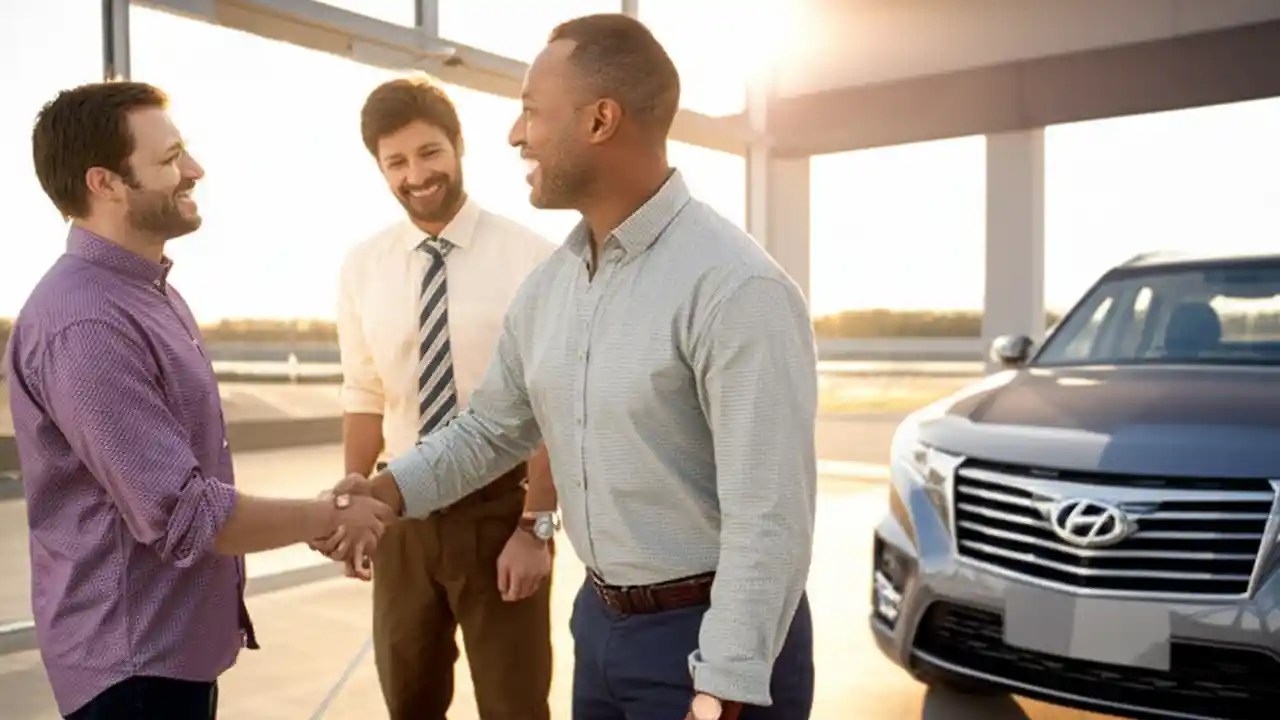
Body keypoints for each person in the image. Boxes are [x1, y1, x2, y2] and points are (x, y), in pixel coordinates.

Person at [323, 13, 817, 720]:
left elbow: (770, 517)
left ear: (600, 120)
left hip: (710, 646)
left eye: (530, 111)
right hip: (602, 627)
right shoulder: (553, 285)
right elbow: (490, 431)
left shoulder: (737, 289)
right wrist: (386, 492)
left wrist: (725, 682)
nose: (516, 134)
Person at [7, 81, 395, 720]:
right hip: (133, 671)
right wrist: (328, 515)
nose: (195, 170)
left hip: (169, 655)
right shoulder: (86, 323)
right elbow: (183, 513)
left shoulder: (147, 292)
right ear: (105, 183)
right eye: (169, 159)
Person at [334, 74, 560, 719]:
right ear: (380, 169)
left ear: (459, 146)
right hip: (401, 517)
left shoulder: (534, 259)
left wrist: (535, 528)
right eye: (396, 162)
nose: (417, 174)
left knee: (515, 708)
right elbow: (364, 392)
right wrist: (355, 507)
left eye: (430, 152)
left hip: (499, 516)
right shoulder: (362, 266)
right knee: (409, 704)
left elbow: (550, 409)